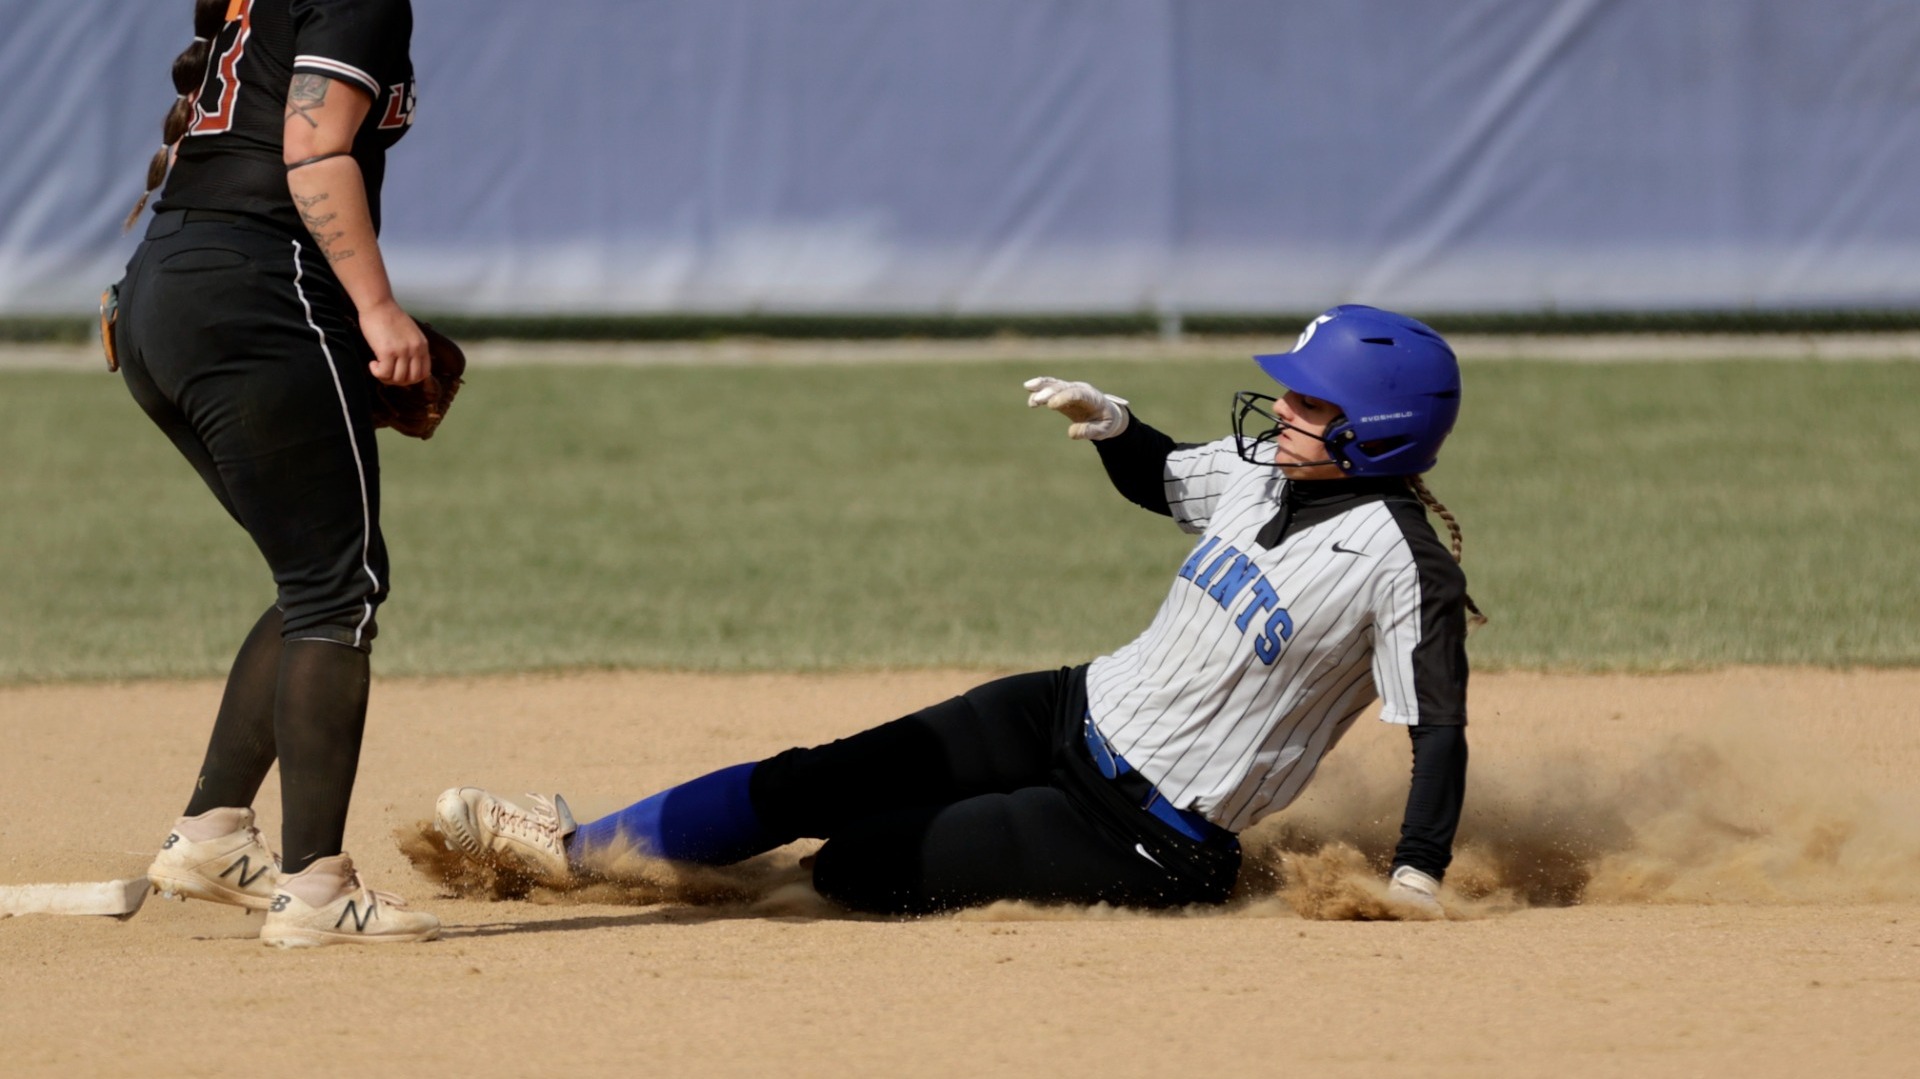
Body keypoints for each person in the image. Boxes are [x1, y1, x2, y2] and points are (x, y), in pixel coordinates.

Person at [435, 305, 1480, 917]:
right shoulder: (1265, 474)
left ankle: (731, 872)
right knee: (814, 777)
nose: (1282, 409)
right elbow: (1164, 477)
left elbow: (1436, 731)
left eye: (1310, 402)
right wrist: (1116, 424)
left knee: (860, 860)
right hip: (1066, 708)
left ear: (1377, 428)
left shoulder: (1404, 566)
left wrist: (1417, 874)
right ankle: (573, 851)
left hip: (1144, 834)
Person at [117, 0, 438, 946]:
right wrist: (377, 309)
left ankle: (214, 834)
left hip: (166, 288)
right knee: (340, 586)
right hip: (255, 289)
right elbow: (313, 149)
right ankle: (318, 888)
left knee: (316, 579)